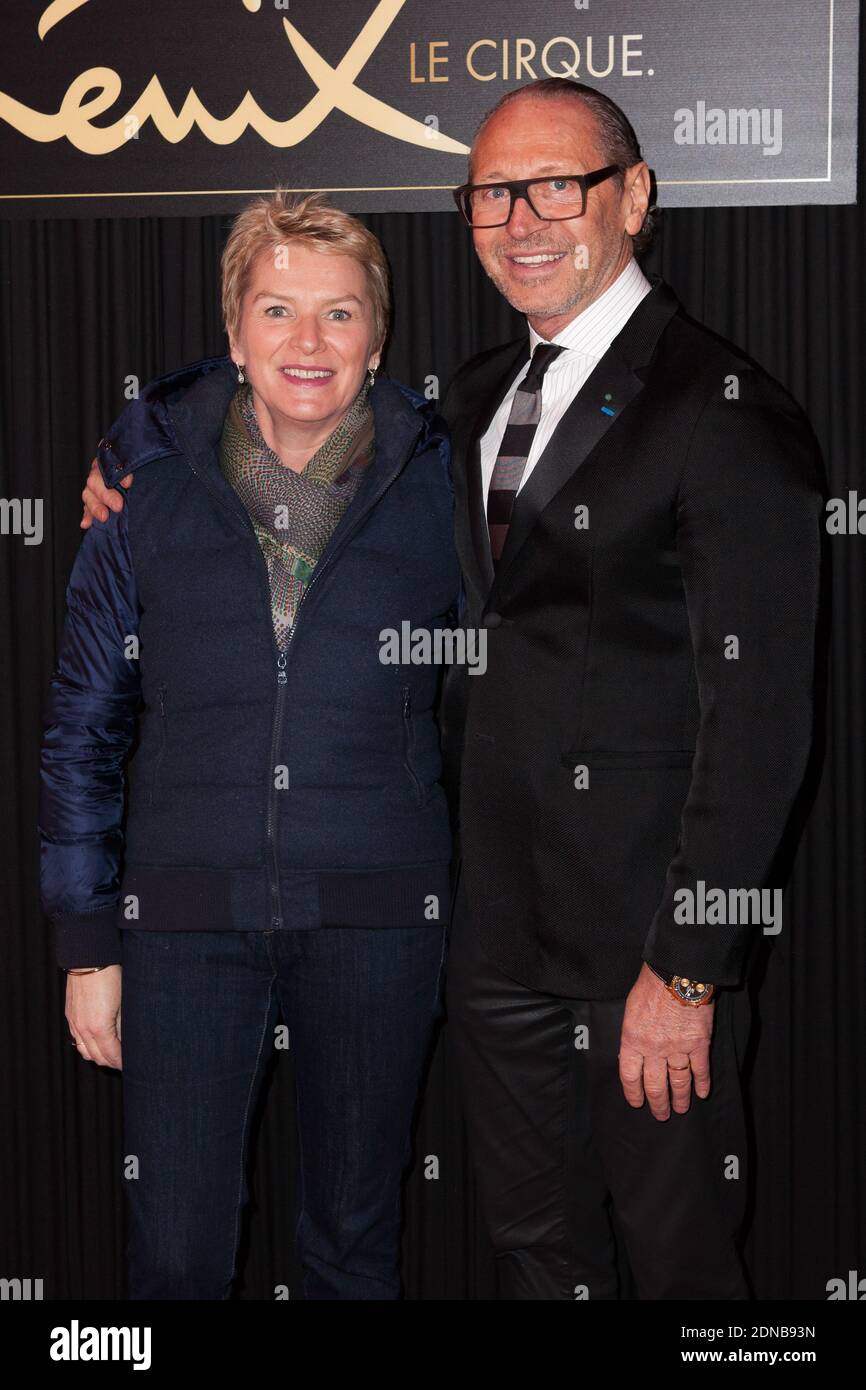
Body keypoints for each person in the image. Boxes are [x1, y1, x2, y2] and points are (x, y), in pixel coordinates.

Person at [438, 79, 825, 1299]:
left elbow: (760, 719)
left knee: (676, 1269)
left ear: (635, 198)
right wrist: (133, 465)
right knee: (533, 1255)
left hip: (644, 960)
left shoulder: (722, 410)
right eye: (493, 192)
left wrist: (691, 964)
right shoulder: (466, 398)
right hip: (496, 938)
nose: (521, 218)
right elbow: (291, 422)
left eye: (557, 183)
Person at [39, 189, 461, 1300]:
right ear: (233, 334)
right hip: (181, 922)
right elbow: (84, 725)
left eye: (339, 313)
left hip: (378, 915)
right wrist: (88, 943)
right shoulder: (141, 490)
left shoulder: (449, 487)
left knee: (350, 1246)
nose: (307, 342)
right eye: (276, 311)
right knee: (174, 1253)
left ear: (378, 336)